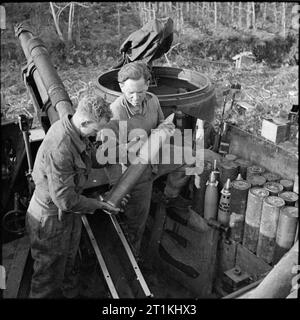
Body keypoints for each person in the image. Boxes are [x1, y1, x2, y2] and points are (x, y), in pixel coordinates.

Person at [26, 92, 126, 299]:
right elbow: (65, 200)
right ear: (85, 120)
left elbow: (88, 157)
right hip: (51, 220)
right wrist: (100, 204)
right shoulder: (61, 147)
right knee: (48, 277)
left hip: (69, 215)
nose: (97, 136)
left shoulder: (75, 130)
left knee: (69, 263)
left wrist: (119, 154)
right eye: (96, 130)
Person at [101, 61, 194, 257]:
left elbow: (161, 122)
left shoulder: (152, 101)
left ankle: (167, 197)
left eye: (141, 92)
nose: (136, 98)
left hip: (155, 157)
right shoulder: (115, 112)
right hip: (134, 173)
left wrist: (166, 128)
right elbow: (107, 154)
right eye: (131, 93)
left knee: (190, 157)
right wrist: (117, 188)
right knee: (137, 223)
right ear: (121, 88)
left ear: (148, 86)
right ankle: (132, 258)